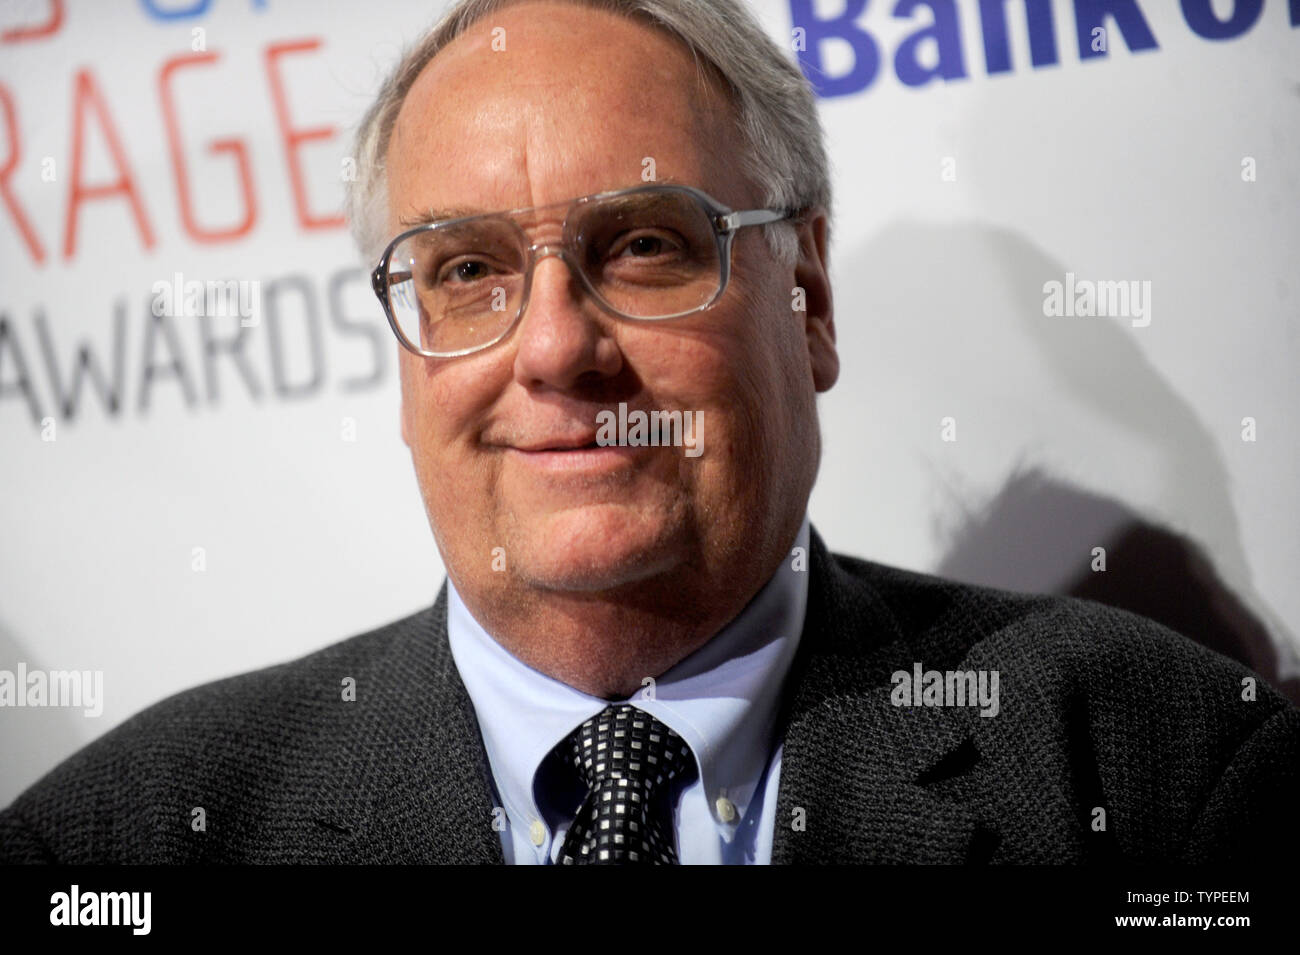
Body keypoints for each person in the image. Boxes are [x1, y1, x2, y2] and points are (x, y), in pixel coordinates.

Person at [2, 0, 1296, 865]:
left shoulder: (1168, 772)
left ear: (812, 299)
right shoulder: (121, 843)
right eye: (466, 272)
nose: (558, 348)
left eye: (645, 246)